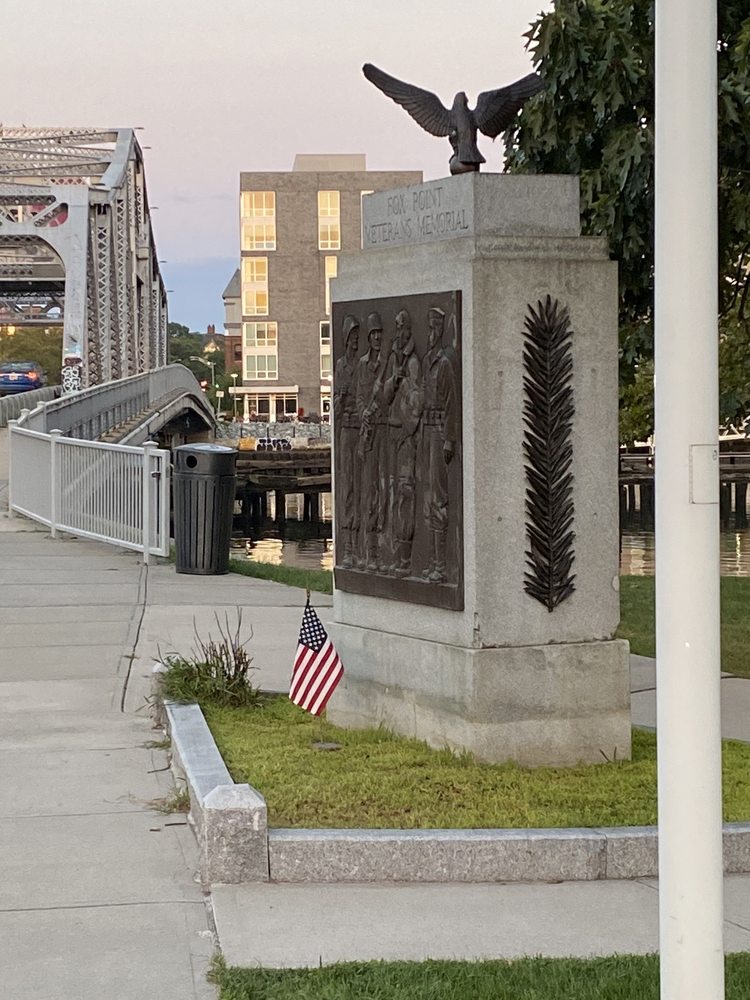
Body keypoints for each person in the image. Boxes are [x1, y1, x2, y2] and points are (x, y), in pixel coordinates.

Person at [383, 308, 422, 577]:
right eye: (395, 327)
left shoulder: (412, 362)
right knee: (393, 494)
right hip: (391, 437)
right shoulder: (393, 360)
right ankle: (394, 554)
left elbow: (417, 399)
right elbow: (384, 396)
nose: (398, 332)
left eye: (401, 327)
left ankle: (406, 559)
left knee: (406, 494)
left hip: (406, 437)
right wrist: (393, 380)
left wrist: (407, 429)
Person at [420, 306, 458, 583]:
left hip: (439, 434)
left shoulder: (444, 363)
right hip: (424, 433)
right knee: (427, 499)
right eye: (428, 329)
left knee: (438, 499)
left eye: (434, 329)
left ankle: (441, 566)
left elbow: (451, 405)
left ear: (440, 331)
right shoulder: (427, 361)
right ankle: (431, 561)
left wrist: (448, 440)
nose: (430, 334)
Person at [356, 312, 388, 571]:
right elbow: (358, 397)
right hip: (368, 435)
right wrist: (363, 415)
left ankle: (386, 548)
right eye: (373, 333)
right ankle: (370, 551)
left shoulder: (389, 363)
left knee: (387, 489)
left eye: (380, 333)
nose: (377, 337)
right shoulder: (362, 364)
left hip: (385, 432)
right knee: (369, 492)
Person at [333, 314, 361, 568]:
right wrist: (340, 400)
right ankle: (348, 546)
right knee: (347, 487)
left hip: (361, 430)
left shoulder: (363, 364)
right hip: (346, 431)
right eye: (351, 336)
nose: (355, 340)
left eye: (357, 336)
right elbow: (336, 409)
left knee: (364, 486)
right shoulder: (341, 365)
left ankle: (364, 544)